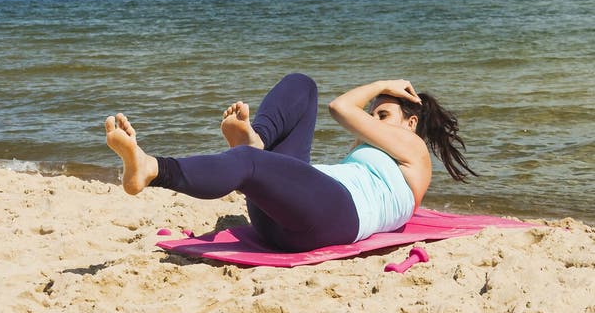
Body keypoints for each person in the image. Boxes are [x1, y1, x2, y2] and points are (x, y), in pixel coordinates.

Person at [105, 73, 476, 253]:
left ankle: (153, 168)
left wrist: (385, 83)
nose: (372, 121)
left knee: (248, 162)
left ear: (411, 123)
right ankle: (258, 138)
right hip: (291, 216)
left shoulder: (412, 148)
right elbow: (334, 108)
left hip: (336, 215)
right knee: (302, 85)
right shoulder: (386, 152)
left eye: (382, 113)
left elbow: (342, 108)